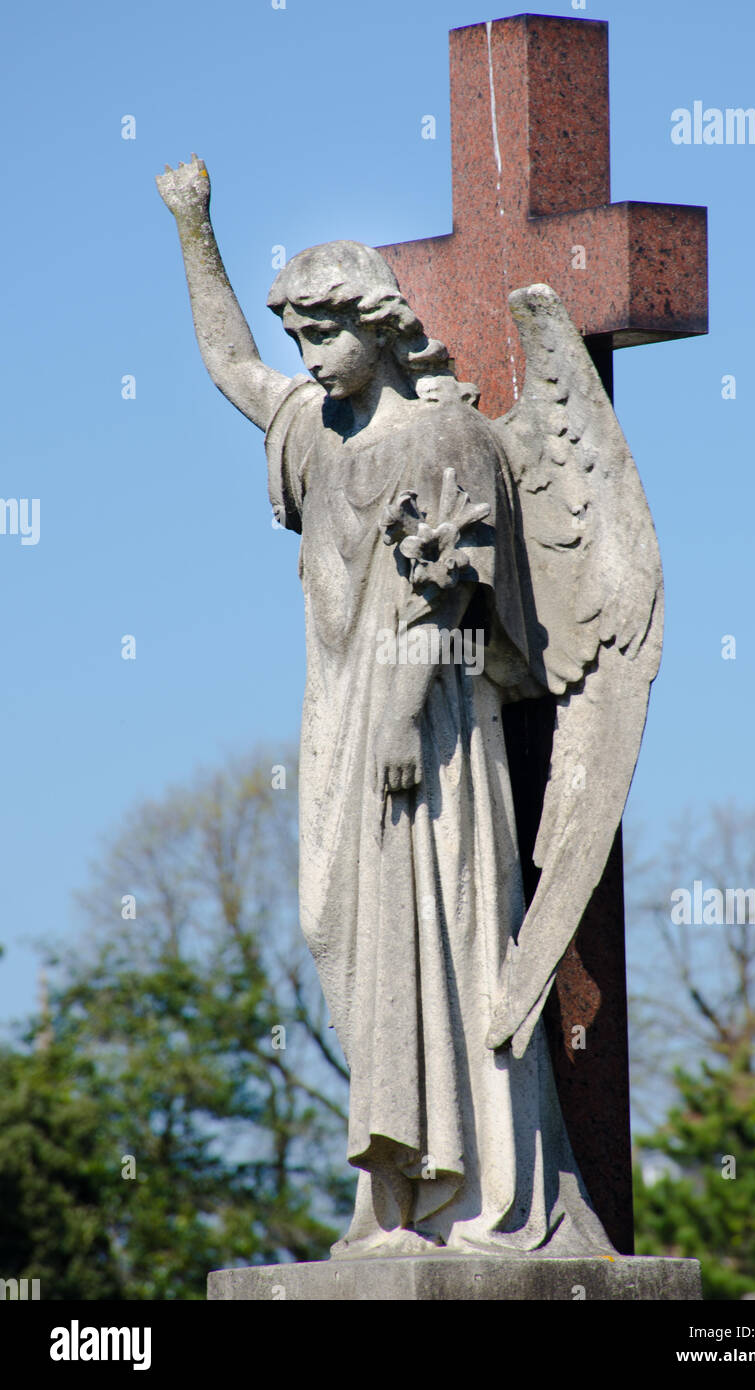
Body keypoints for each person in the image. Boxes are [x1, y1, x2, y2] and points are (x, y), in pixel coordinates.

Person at [157, 155, 613, 1257]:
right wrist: (193, 229)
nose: (311, 360)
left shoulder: (449, 440)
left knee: (434, 932)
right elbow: (229, 363)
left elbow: (453, 598)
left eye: (327, 336)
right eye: (303, 339)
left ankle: (438, 1192)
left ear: (379, 325)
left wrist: (406, 714)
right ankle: (389, 1179)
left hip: (433, 732)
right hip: (337, 725)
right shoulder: (316, 431)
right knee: (338, 930)